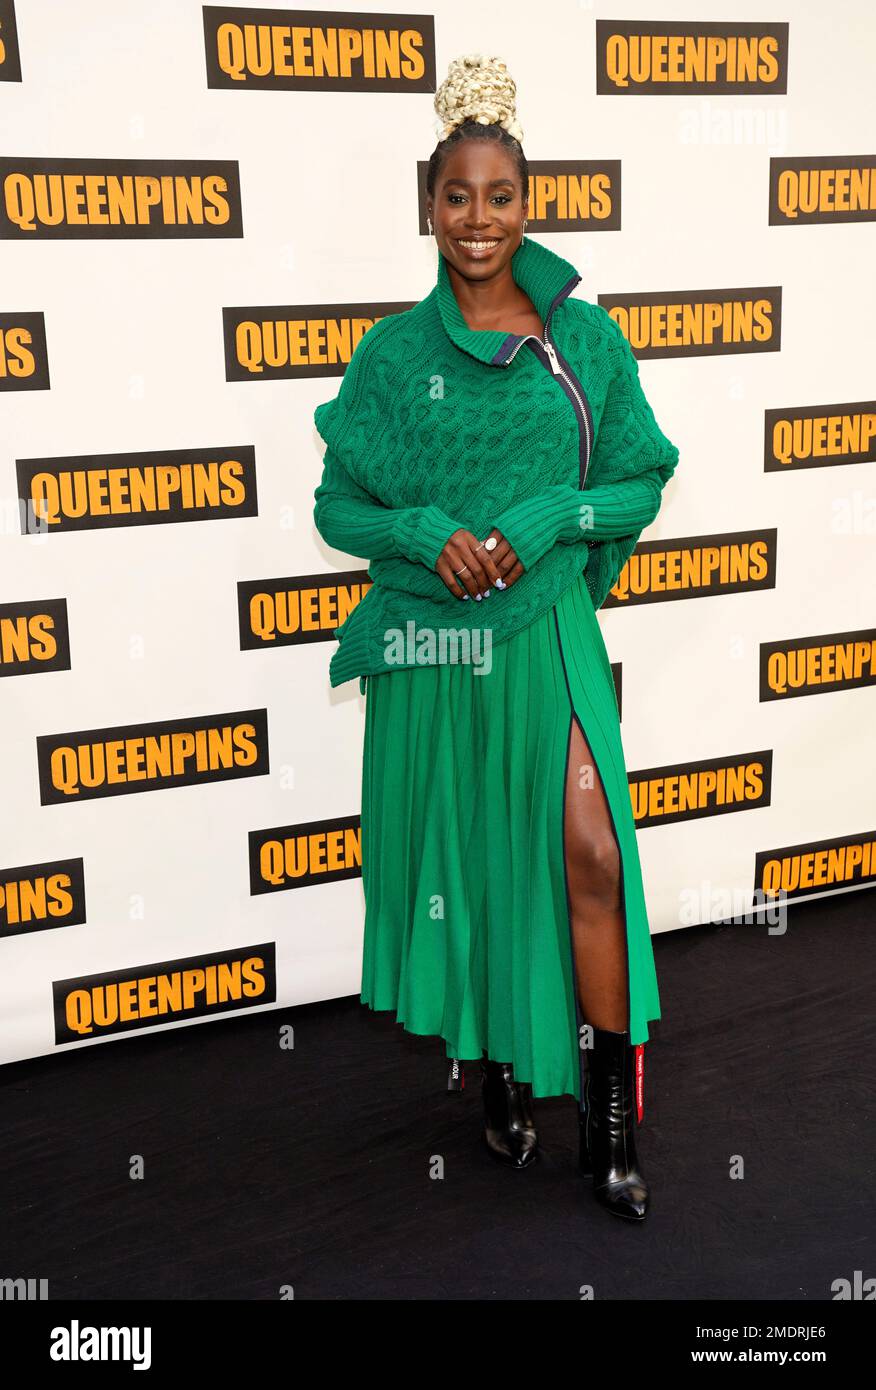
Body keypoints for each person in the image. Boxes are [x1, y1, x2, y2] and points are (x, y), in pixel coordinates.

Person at [312, 53, 679, 1221]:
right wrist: (422, 530)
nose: (480, 220)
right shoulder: (390, 356)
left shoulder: (585, 340)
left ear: (531, 202)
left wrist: (551, 515)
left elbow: (637, 482)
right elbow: (338, 508)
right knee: (475, 862)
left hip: (544, 636)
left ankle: (611, 1128)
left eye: (501, 196)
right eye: (458, 197)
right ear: (430, 205)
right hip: (437, 654)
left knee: (590, 854)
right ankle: (503, 1075)